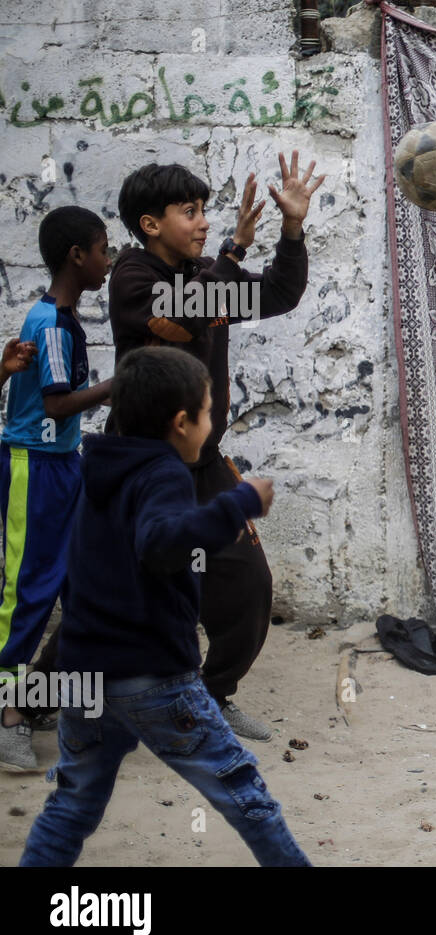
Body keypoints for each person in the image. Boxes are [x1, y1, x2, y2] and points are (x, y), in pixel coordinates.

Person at [20, 347, 310, 866]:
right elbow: (161, 542)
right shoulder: (164, 474)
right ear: (181, 423)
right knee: (245, 794)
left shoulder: (96, 467)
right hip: (153, 675)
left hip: (87, 675)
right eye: (207, 411)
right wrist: (240, 502)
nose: (210, 422)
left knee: (72, 804)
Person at [109, 154, 324, 740]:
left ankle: (210, 696)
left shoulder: (209, 271)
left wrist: (292, 230)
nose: (203, 222)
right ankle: (22, 710)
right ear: (150, 225)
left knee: (246, 584)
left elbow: (279, 293)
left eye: (205, 211)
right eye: (190, 212)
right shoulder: (132, 277)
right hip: (139, 471)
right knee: (107, 599)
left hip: (202, 469)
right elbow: (178, 320)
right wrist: (231, 254)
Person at [0, 207, 112, 772]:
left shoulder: (65, 321)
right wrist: (120, 383)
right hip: (34, 467)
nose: (109, 261)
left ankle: (65, 705)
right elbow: (55, 404)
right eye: (102, 250)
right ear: (76, 256)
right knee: (27, 591)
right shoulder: (47, 324)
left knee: (77, 585)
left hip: (63, 463)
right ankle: (8, 716)